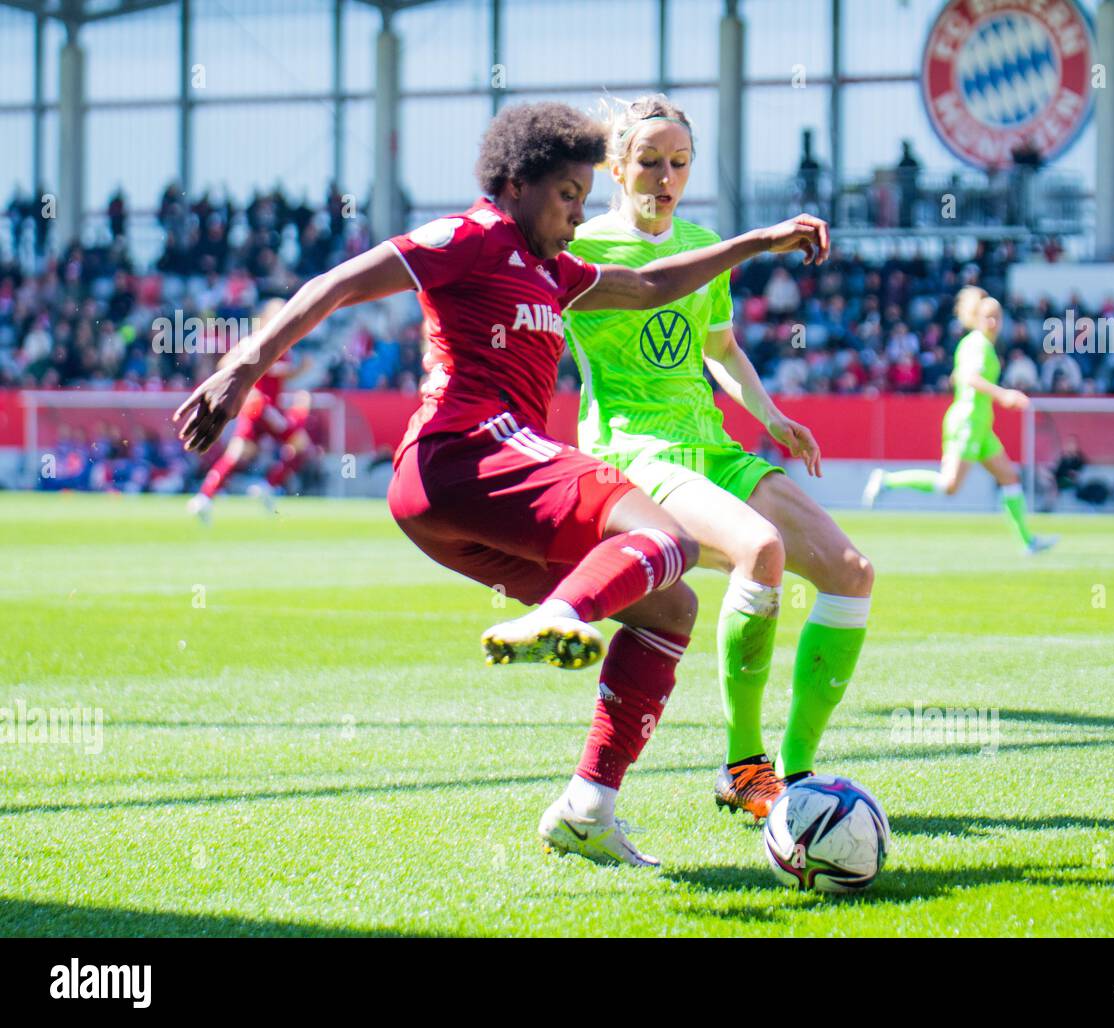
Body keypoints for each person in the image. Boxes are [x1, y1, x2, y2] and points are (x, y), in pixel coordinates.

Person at [173, 101, 830, 868]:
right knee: (666, 536)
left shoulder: (553, 268)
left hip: (455, 504)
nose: (579, 215)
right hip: (461, 449)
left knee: (669, 605)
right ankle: (560, 613)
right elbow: (340, 283)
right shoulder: (474, 236)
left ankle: (588, 808)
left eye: (586, 198)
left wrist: (756, 241)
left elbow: (650, 287)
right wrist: (242, 369)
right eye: (567, 197)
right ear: (516, 185)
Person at [562, 96, 872, 821]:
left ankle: (798, 774)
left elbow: (721, 347)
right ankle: (744, 762)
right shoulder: (582, 248)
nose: (664, 178)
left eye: (678, 163)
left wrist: (772, 416)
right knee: (758, 550)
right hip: (635, 451)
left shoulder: (701, 243)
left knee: (851, 573)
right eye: (648, 162)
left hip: (713, 447)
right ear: (615, 167)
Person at [864, 287, 1056, 554]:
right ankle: (887, 480)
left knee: (1010, 478)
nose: (993, 322)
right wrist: (1004, 395)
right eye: (988, 316)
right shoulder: (978, 344)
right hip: (967, 422)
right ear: (977, 318)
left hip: (981, 425)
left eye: (997, 317)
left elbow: (958, 376)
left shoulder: (977, 345)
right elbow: (970, 378)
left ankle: (1027, 541)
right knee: (949, 485)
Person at [185, 300, 315, 522]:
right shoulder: (256, 341)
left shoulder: (282, 344)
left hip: (262, 409)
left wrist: (296, 371)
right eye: (278, 314)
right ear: (265, 318)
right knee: (301, 445)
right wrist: (247, 377)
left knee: (237, 454)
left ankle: (204, 497)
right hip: (262, 408)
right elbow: (226, 363)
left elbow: (278, 373)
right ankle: (268, 485)